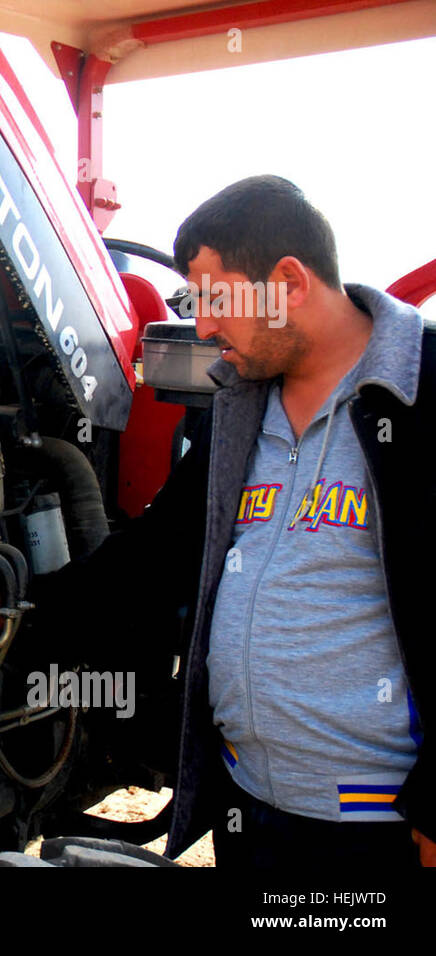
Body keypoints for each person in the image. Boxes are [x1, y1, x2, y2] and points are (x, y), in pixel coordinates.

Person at [35, 175, 432, 867]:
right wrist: (22, 620)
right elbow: (155, 556)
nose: (207, 324)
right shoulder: (242, 412)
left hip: (381, 827)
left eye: (218, 298)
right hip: (251, 810)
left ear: (288, 282)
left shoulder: (422, 391)